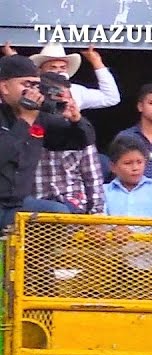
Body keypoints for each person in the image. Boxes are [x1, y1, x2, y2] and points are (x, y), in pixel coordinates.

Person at [0, 54, 91, 231]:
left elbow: (81, 141)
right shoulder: (27, 117)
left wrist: (76, 120)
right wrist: (25, 121)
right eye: (26, 85)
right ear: (4, 86)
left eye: (36, 85)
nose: (33, 91)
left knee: (58, 214)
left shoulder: (39, 118)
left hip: (18, 205)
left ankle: (36, 260)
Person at [31, 73, 101, 214]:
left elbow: (93, 177)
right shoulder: (27, 122)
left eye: (68, 98)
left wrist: (97, 214)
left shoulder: (81, 131)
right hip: (34, 205)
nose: (65, 104)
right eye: (58, 98)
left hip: (73, 204)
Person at [2, 42, 120, 111]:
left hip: (66, 145)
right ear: (40, 71)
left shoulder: (76, 91)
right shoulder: (30, 90)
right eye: (52, 67)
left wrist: (97, 62)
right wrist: (14, 61)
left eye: (62, 67)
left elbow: (111, 98)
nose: (58, 71)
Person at [103, 135, 152, 219]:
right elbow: (98, 226)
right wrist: (114, 230)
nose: (135, 168)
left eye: (139, 162)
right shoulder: (104, 192)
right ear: (113, 167)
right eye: (128, 163)